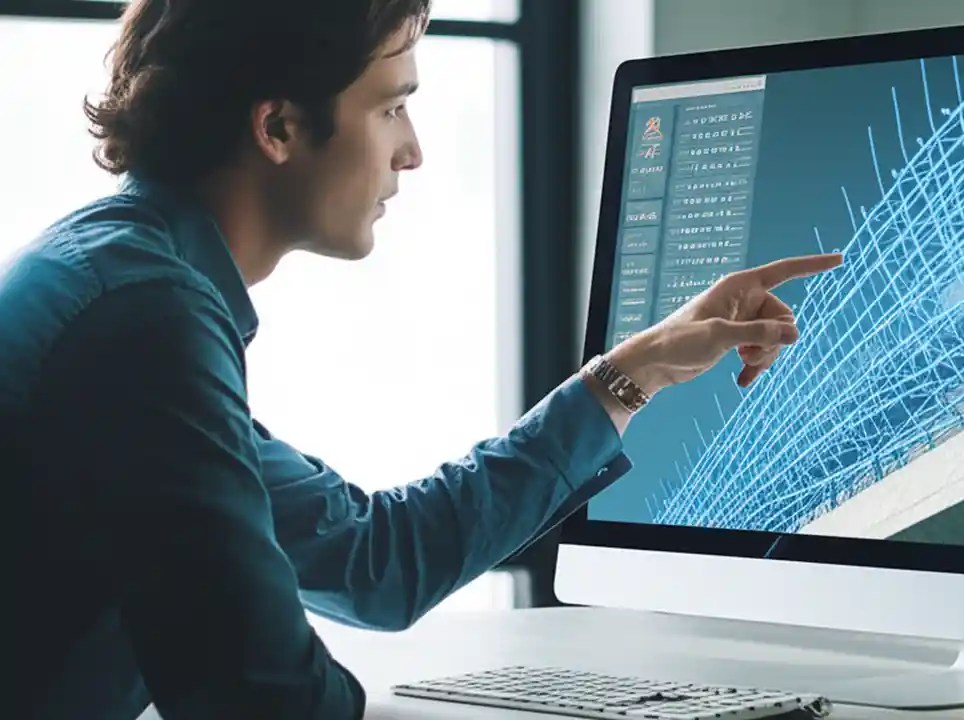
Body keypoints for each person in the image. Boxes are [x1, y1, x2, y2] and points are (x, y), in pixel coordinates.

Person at [0, 1, 842, 718]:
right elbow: (264, 699)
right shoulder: (144, 322)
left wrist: (636, 371)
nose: (413, 151)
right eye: (392, 106)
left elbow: (375, 561)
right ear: (279, 125)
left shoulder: (120, 280)